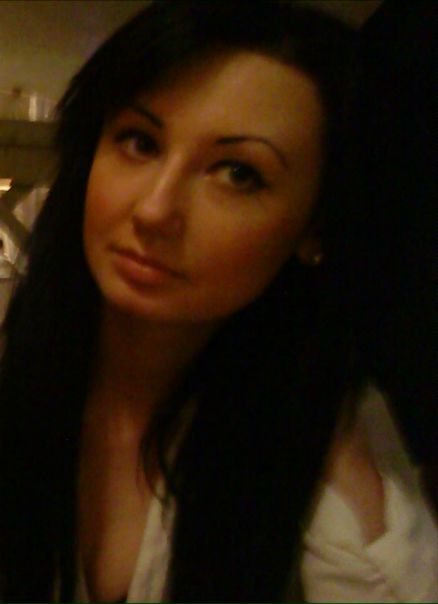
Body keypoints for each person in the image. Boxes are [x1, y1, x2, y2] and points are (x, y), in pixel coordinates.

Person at [0, 2, 436, 602]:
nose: (155, 209)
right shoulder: (18, 361)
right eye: (139, 142)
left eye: (237, 174)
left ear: (316, 227)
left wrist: (321, 428)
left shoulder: (330, 445)